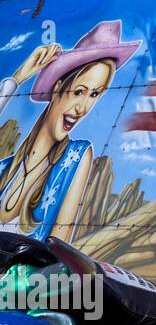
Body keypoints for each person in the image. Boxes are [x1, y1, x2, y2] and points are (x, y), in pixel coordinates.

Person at [0, 21, 140, 244]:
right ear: (57, 88)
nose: (82, 108)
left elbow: (58, 252)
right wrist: (17, 78)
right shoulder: (4, 170)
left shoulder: (77, 157)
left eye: (94, 95)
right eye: (79, 91)